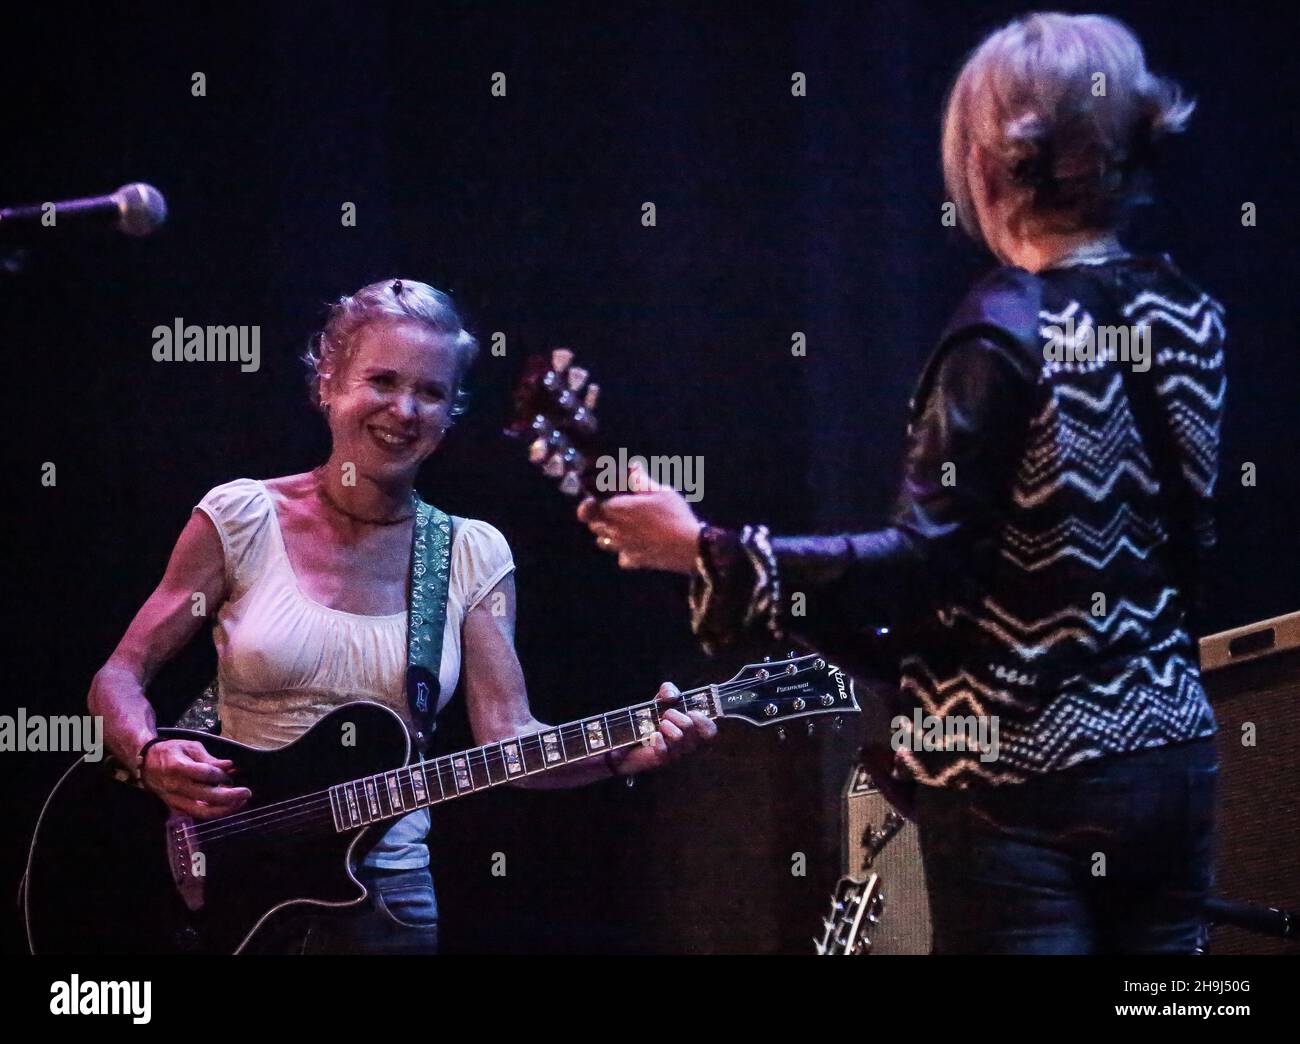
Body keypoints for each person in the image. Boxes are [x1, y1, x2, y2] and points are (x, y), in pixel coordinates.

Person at [579, 12, 1225, 955]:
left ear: (995, 161)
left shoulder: (1001, 331)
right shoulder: (1192, 314)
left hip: (1018, 774)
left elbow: (923, 568)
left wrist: (700, 550)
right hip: (1173, 751)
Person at [89, 278, 717, 954]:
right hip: (223, 883)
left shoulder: (472, 553)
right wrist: (148, 754)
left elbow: (511, 743)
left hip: (386, 903)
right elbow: (120, 675)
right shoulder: (241, 516)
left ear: (451, 415)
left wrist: (626, 754)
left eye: (431, 393)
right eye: (382, 381)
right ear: (327, 384)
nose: (404, 410)